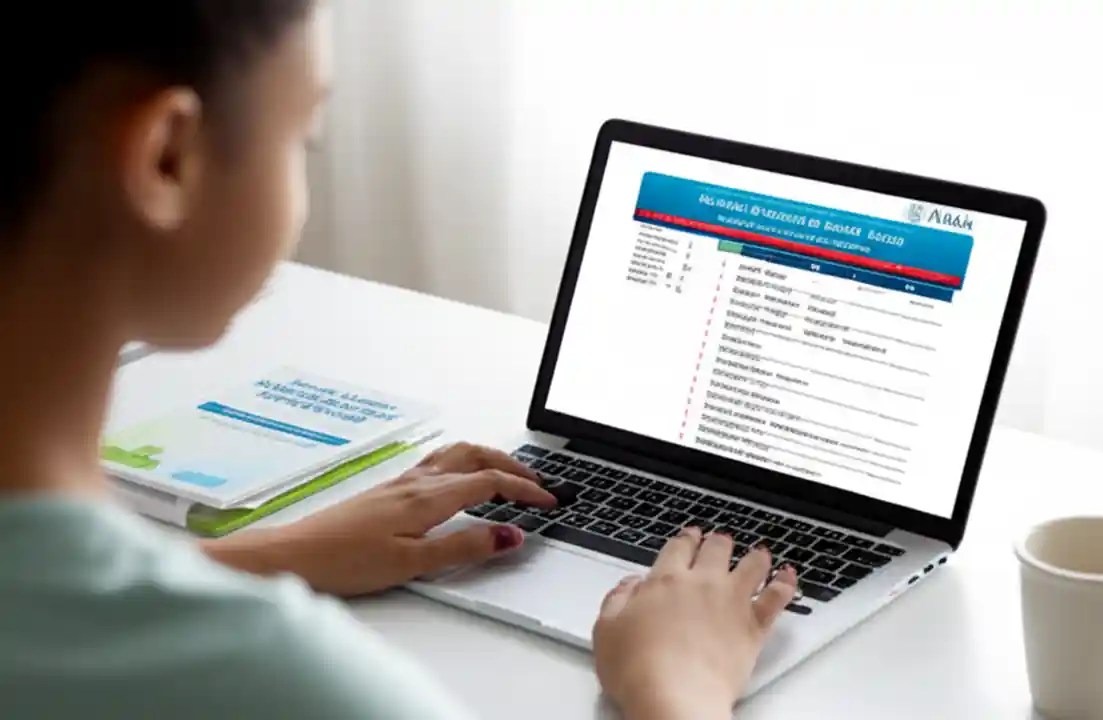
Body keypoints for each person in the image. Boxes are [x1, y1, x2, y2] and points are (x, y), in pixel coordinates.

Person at [0, 2, 799, 718]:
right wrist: (679, 687)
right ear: (167, 158)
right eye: (303, 135)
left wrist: (257, 556)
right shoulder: (290, 685)